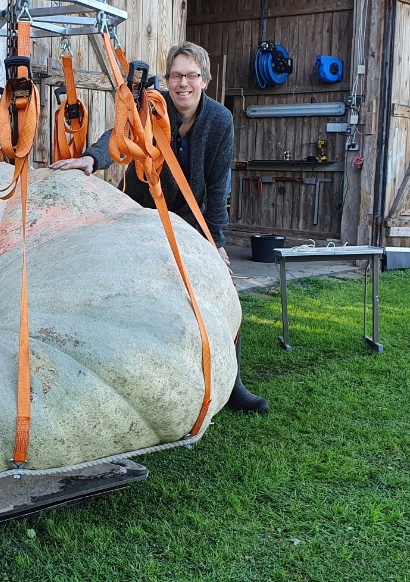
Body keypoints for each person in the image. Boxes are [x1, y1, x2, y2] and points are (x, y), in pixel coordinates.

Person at [50, 41, 268, 414]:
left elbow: (219, 187)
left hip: (188, 216)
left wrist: (216, 242)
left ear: (205, 79)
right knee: (129, 291)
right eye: (176, 75)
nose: (183, 83)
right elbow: (117, 135)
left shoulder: (219, 121)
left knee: (218, 289)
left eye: (191, 75)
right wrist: (91, 158)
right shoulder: (150, 105)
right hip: (139, 213)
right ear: (167, 79)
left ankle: (232, 382)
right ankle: (126, 372)